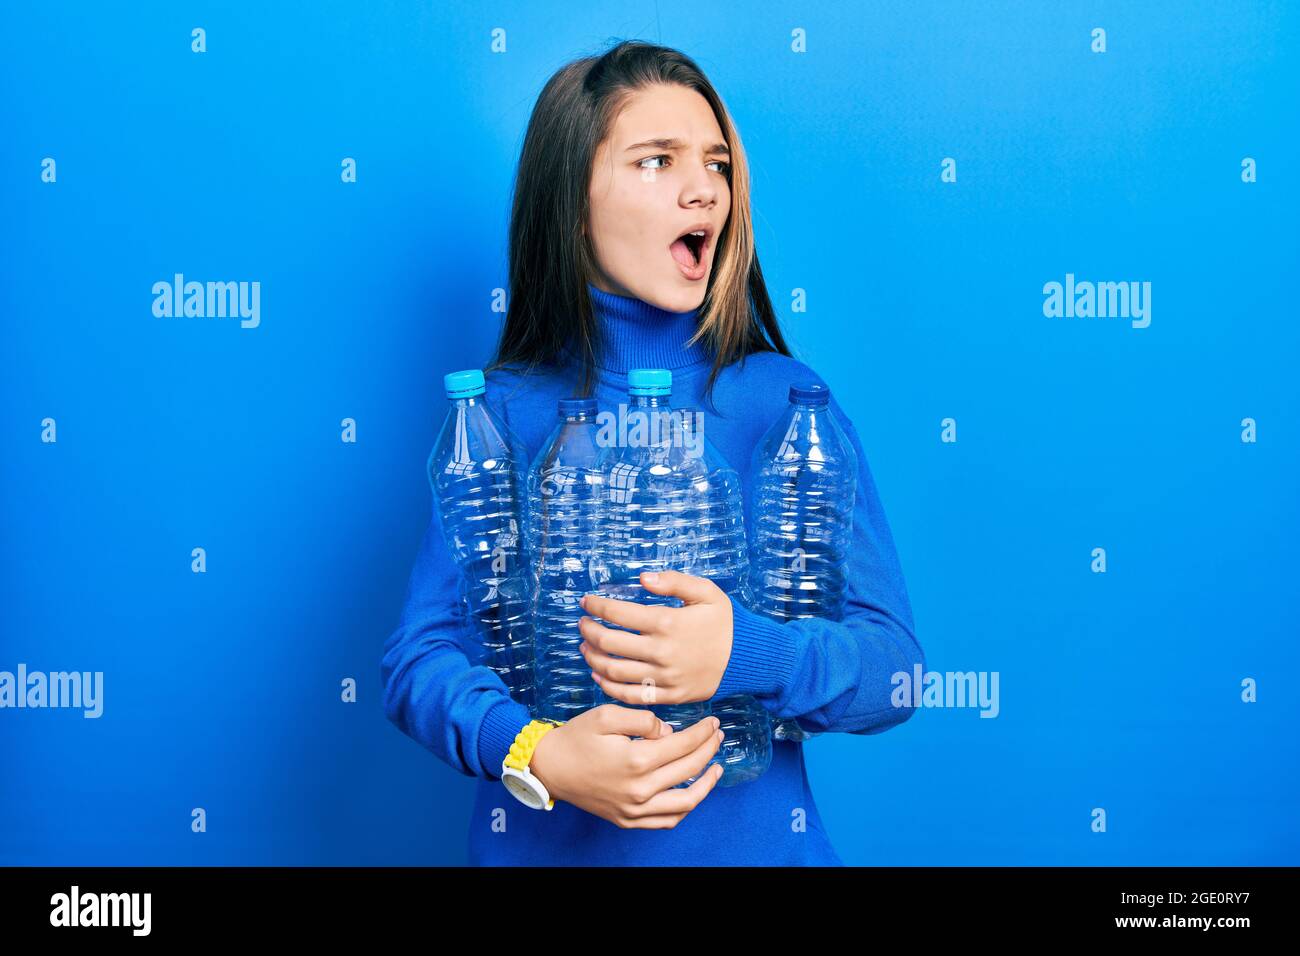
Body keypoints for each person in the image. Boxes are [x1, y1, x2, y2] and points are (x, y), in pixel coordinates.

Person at [382, 39, 924, 866]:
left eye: (715, 162)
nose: (702, 186)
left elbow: (895, 674)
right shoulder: (501, 415)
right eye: (656, 160)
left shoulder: (786, 405)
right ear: (572, 201)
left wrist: (749, 653)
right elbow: (418, 661)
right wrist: (539, 753)